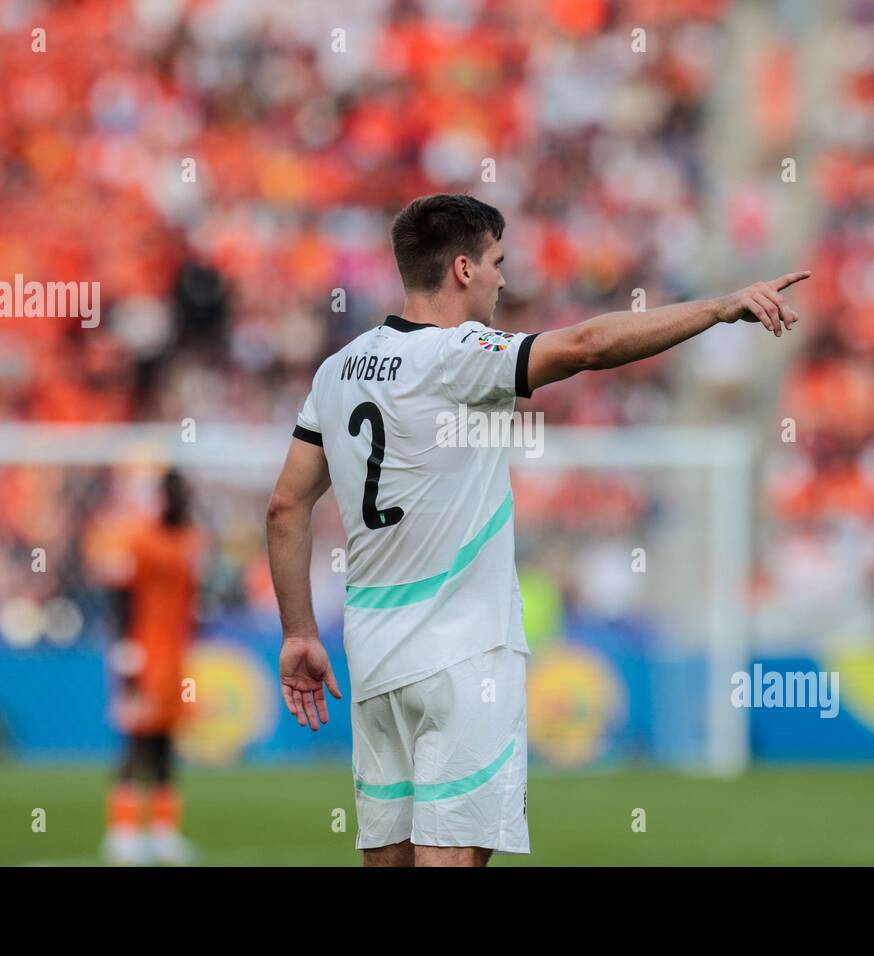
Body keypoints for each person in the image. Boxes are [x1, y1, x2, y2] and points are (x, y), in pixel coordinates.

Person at [265, 193, 807, 866]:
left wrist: (297, 633)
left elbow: (286, 507)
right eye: (497, 262)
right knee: (451, 860)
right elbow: (585, 346)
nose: (502, 278)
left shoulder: (338, 370)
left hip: (373, 659)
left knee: (390, 861)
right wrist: (720, 308)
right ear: (462, 269)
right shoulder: (458, 353)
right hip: (463, 656)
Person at [102, 468, 204, 865]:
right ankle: (122, 832)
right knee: (136, 739)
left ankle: (163, 833)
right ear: (163, 496)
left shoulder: (190, 541)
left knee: (166, 743)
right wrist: (125, 646)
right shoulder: (141, 540)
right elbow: (120, 595)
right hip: (143, 651)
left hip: (175, 657)